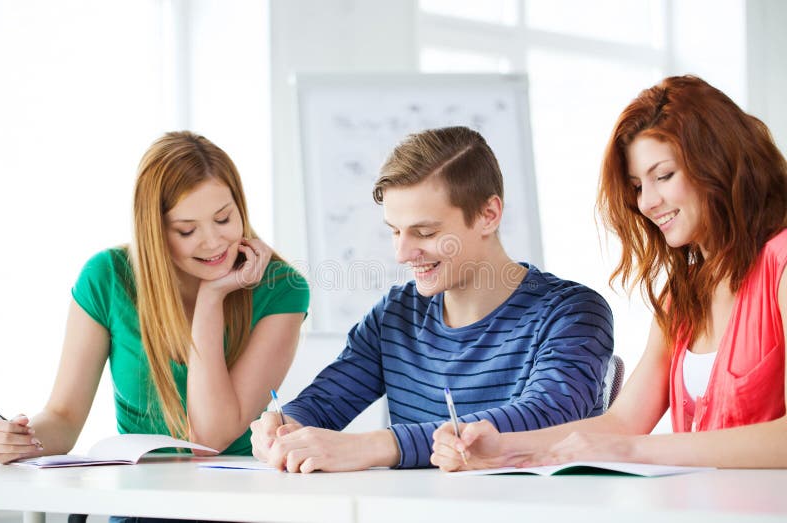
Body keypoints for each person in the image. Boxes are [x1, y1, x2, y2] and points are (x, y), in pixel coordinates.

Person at [431, 75, 787, 471]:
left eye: (663, 176)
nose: (647, 202)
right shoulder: (681, 297)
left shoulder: (781, 262)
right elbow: (622, 423)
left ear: (720, 162)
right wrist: (503, 448)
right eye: (637, 186)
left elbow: (627, 442)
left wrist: (631, 451)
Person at [249, 126, 614, 472]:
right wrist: (284, 427)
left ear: (488, 215)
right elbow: (323, 403)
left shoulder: (573, 313)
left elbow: (547, 418)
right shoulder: (396, 314)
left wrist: (378, 445)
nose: (402, 254)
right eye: (395, 231)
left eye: (424, 232)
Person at [0, 131, 309, 465]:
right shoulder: (107, 277)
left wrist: (211, 297)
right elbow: (63, 418)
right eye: (187, 230)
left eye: (223, 218)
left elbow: (212, 436)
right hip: (139, 490)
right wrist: (18, 441)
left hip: (238, 488)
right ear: (154, 230)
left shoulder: (282, 288)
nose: (214, 242)